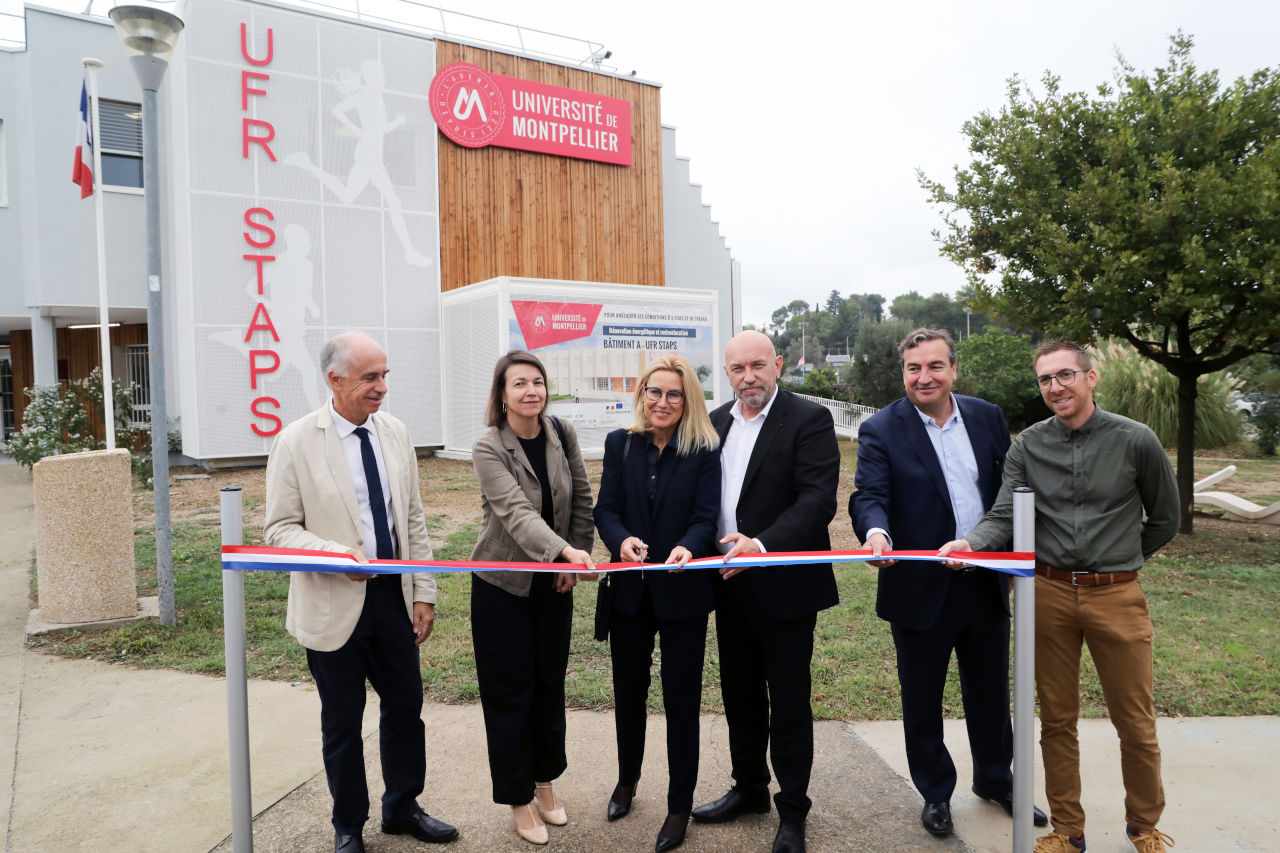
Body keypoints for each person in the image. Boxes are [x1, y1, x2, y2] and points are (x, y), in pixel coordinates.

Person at [939, 340, 1179, 853]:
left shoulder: (1136, 441)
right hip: (1046, 593)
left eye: (1065, 375)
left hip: (1117, 595)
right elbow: (1005, 512)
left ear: (1090, 378)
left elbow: (1165, 519)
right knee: (1056, 719)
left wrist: (1121, 557)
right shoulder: (1028, 445)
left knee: (1134, 720)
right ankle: (1068, 831)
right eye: (1046, 380)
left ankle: (1144, 825)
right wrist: (973, 544)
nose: (1055, 387)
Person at [263, 332, 457, 853]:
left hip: (393, 600)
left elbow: (412, 519)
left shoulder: (395, 434)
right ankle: (348, 824)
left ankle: (402, 808)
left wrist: (424, 591)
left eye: (384, 375)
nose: (382, 387)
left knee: (405, 708)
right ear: (335, 380)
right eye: (370, 377)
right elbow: (278, 529)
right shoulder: (297, 441)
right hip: (332, 606)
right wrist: (333, 553)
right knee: (343, 723)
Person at [849, 328, 1047, 838]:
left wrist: (994, 545)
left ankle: (995, 779)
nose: (924, 377)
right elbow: (869, 494)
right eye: (914, 368)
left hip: (984, 581)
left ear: (953, 370)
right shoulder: (880, 429)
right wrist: (876, 533)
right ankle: (935, 792)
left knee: (989, 690)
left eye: (935, 366)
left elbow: (1008, 489)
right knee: (921, 696)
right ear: (904, 374)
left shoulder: (986, 417)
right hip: (917, 586)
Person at [691, 330, 839, 853]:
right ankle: (749, 788)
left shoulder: (809, 419)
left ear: (777, 364)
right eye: (737, 369)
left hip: (785, 586)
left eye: (757, 365)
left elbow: (818, 501)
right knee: (741, 694)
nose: (748, 377)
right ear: (726, 374)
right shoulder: (714, 423)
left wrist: (762, 543)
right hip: (727, 585)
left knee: (789, 700)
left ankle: (793, 810)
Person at [593, 355, 722, 853]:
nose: (661, 402)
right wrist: (621, 540)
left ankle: (678, 805)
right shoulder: (620, 444)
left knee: (681, 701)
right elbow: (606, 508)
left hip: (684, 593)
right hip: (630, 591)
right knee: (628, 693)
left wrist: (692, 544)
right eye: (653, 391)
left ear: (686, 399)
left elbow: (706, 515)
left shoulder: (703, 449)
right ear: (641, 394)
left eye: (673, 394)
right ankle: (627, 782)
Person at [469, 350, 596, 846]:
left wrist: (575, 554)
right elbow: (516, 513)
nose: (531, 391)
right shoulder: (488, 447)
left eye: (538, 382)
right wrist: (562, 551)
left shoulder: (561, 433)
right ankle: (518, 799)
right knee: (509, 694)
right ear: (502, 395)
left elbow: (582, 497)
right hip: (502, 587)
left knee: (548, 687)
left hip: (554, 583)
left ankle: (544, 783)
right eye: (519, 383)